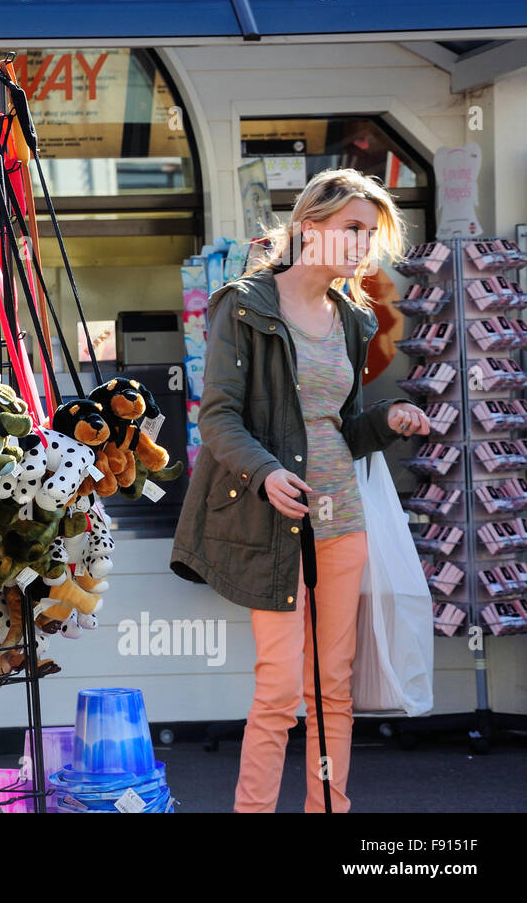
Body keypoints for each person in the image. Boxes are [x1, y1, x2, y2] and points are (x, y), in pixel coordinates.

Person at [170, 169, 432, 812]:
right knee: (280, 690)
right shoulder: (245, 304)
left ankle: (329, 808)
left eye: (370, 234)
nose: (362, 246)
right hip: (275, 522)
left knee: (332, 689)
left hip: (343, 522)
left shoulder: (349, 316)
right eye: (352, 230)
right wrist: (263, 472)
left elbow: (338, 425)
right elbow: (219, 416)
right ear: (309, 227)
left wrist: (388, 421)